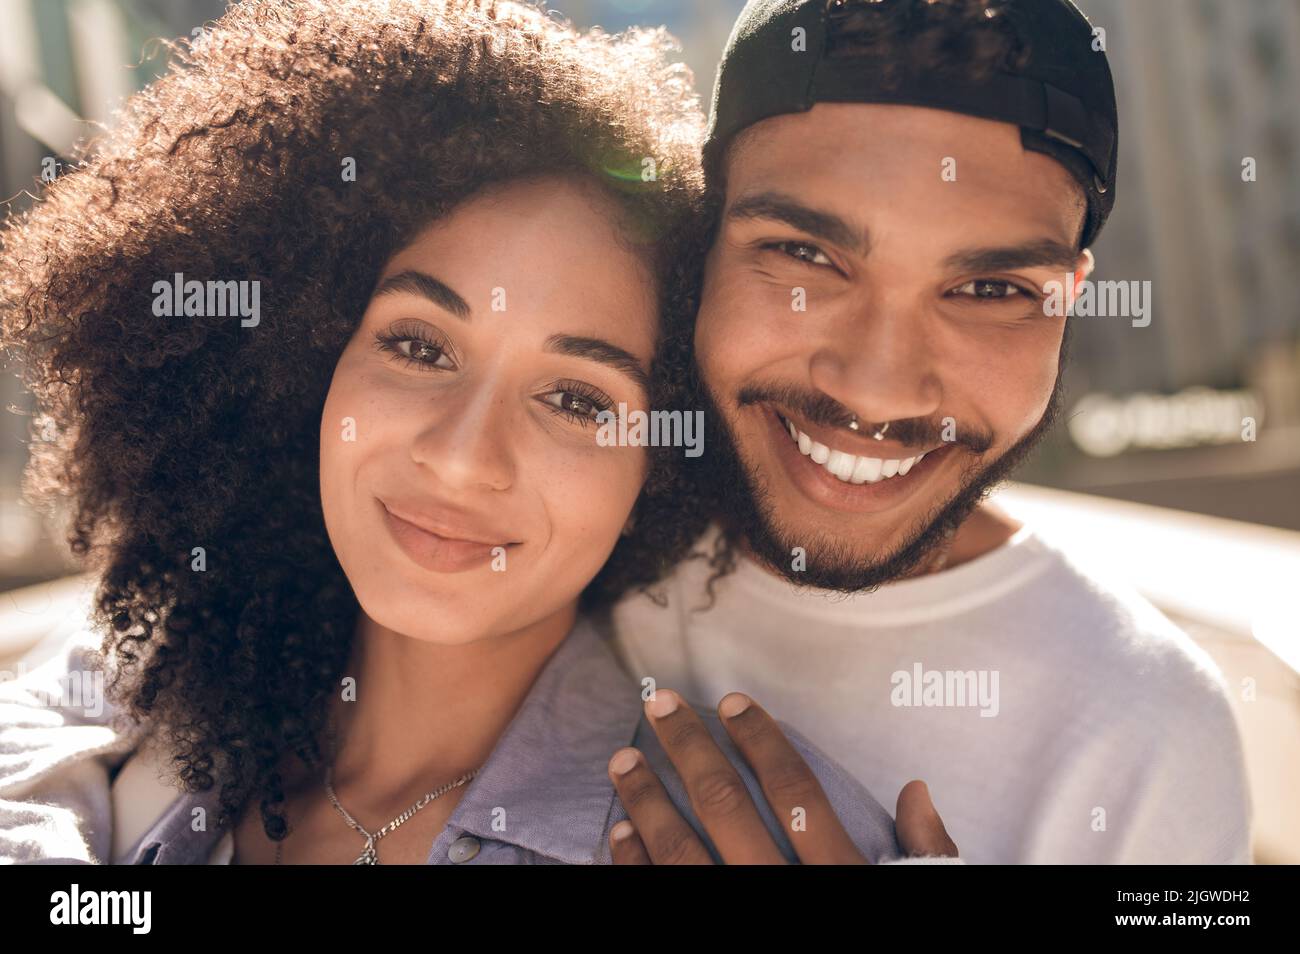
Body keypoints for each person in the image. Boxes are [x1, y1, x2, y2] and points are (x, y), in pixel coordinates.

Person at [0, 0, 952, 866]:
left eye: (577, 400)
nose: (461, 455)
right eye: (418, 345)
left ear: (660, 466)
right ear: (305, 363)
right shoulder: (146, 688)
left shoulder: (756, 839)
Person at [606, 0, 1253, 864]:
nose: (877, 388)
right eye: (805, 254)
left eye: (991, 291)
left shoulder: (1153, 730)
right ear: (702, 237)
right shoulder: (564, 538)